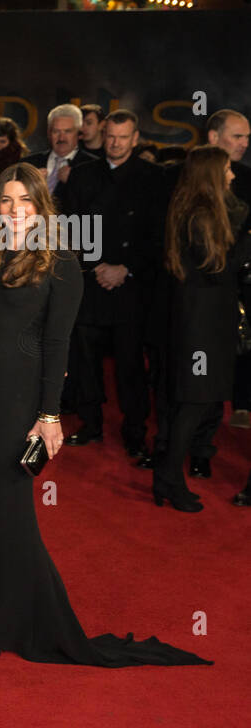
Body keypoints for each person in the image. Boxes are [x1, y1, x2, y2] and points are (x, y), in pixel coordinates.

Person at [0, 162, 210, 668]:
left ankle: (1, 624)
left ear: (41, 207)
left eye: (23, 201)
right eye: (4, 200)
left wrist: (48, 416)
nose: (13, 210)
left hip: (17, 401)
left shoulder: (58, 261)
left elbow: (58, 345)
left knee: (9, 514)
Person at [59, 109, 165, 463]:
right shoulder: (83, 175)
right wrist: (97, 266)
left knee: (130, 365)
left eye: (123, 137)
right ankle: (90, 424)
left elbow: (158, 235)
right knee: (85, 360)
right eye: (111, 136)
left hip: (132, 288)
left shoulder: (154, 178)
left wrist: (126, 268)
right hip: (90, 282)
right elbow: (70, 227)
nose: (116, 143)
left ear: (136, 139)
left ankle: (135, 433)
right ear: (103, 136)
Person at [152, 146, 251, 512]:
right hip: (200, 329)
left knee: (197, 402)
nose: (233, 175)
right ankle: (168, 478)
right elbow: (219, 270)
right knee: (193, 404)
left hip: (203, 324)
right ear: (212, 174)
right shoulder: (200, 216)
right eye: (227, 170)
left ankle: (167, 477)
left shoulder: (198, 210)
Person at [22, 103, 98, 208]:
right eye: (56, 131)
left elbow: (97, 209)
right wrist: (31, 185)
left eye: (68, 131)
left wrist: (74, 181)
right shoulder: (28, 164)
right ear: (49, 133)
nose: (61, 138)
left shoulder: (94, 166)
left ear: (79, 133)